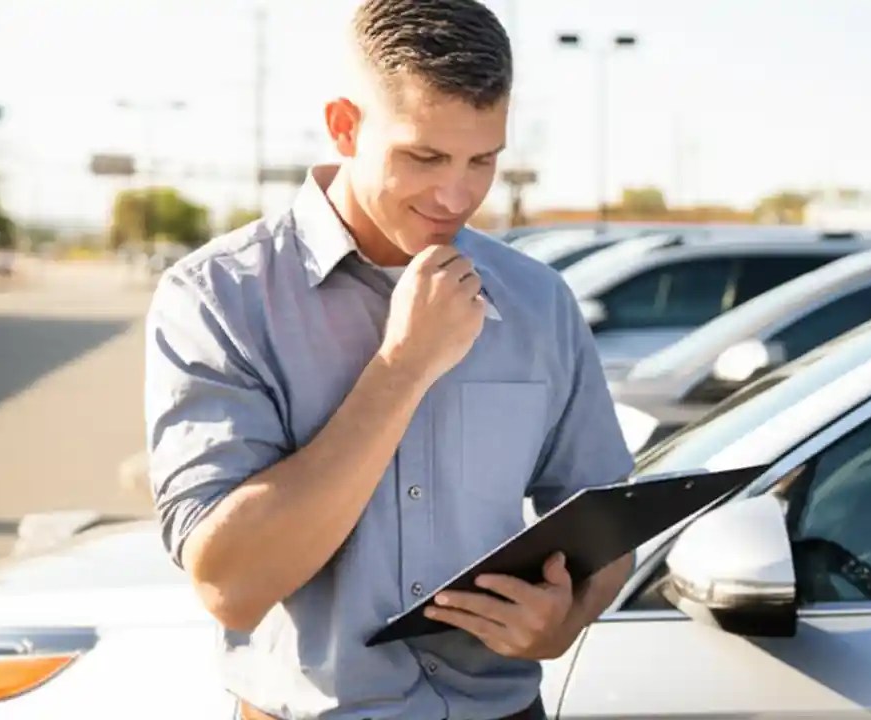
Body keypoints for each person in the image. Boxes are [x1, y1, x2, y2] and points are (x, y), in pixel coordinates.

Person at [142, 1, 635, 718]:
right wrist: (403, 367)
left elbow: (603, 523)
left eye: (483, 160)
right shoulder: (219, 298)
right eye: (424, 156)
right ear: (345, 125)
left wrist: (568, 617)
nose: (457, 195)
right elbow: (230, 585)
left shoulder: (539, 302)